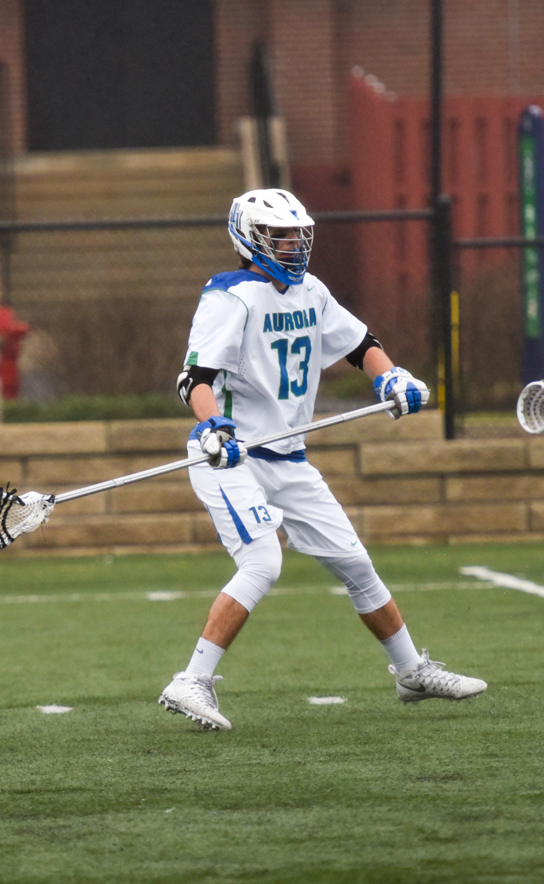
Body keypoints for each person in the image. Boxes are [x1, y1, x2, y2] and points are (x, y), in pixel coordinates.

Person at [156, 188, 487, 731]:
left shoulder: (311, 290)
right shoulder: (229, 296)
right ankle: (191, 680)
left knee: (356, 564)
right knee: (264, 560)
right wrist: (213, 425)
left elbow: (361, 344)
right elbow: (194, 379)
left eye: (295, 235)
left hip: (289, 459)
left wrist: (391, 375)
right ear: (250, 239)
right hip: (230, 456)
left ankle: (411, 673)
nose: (292, 245)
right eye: (280, 236)